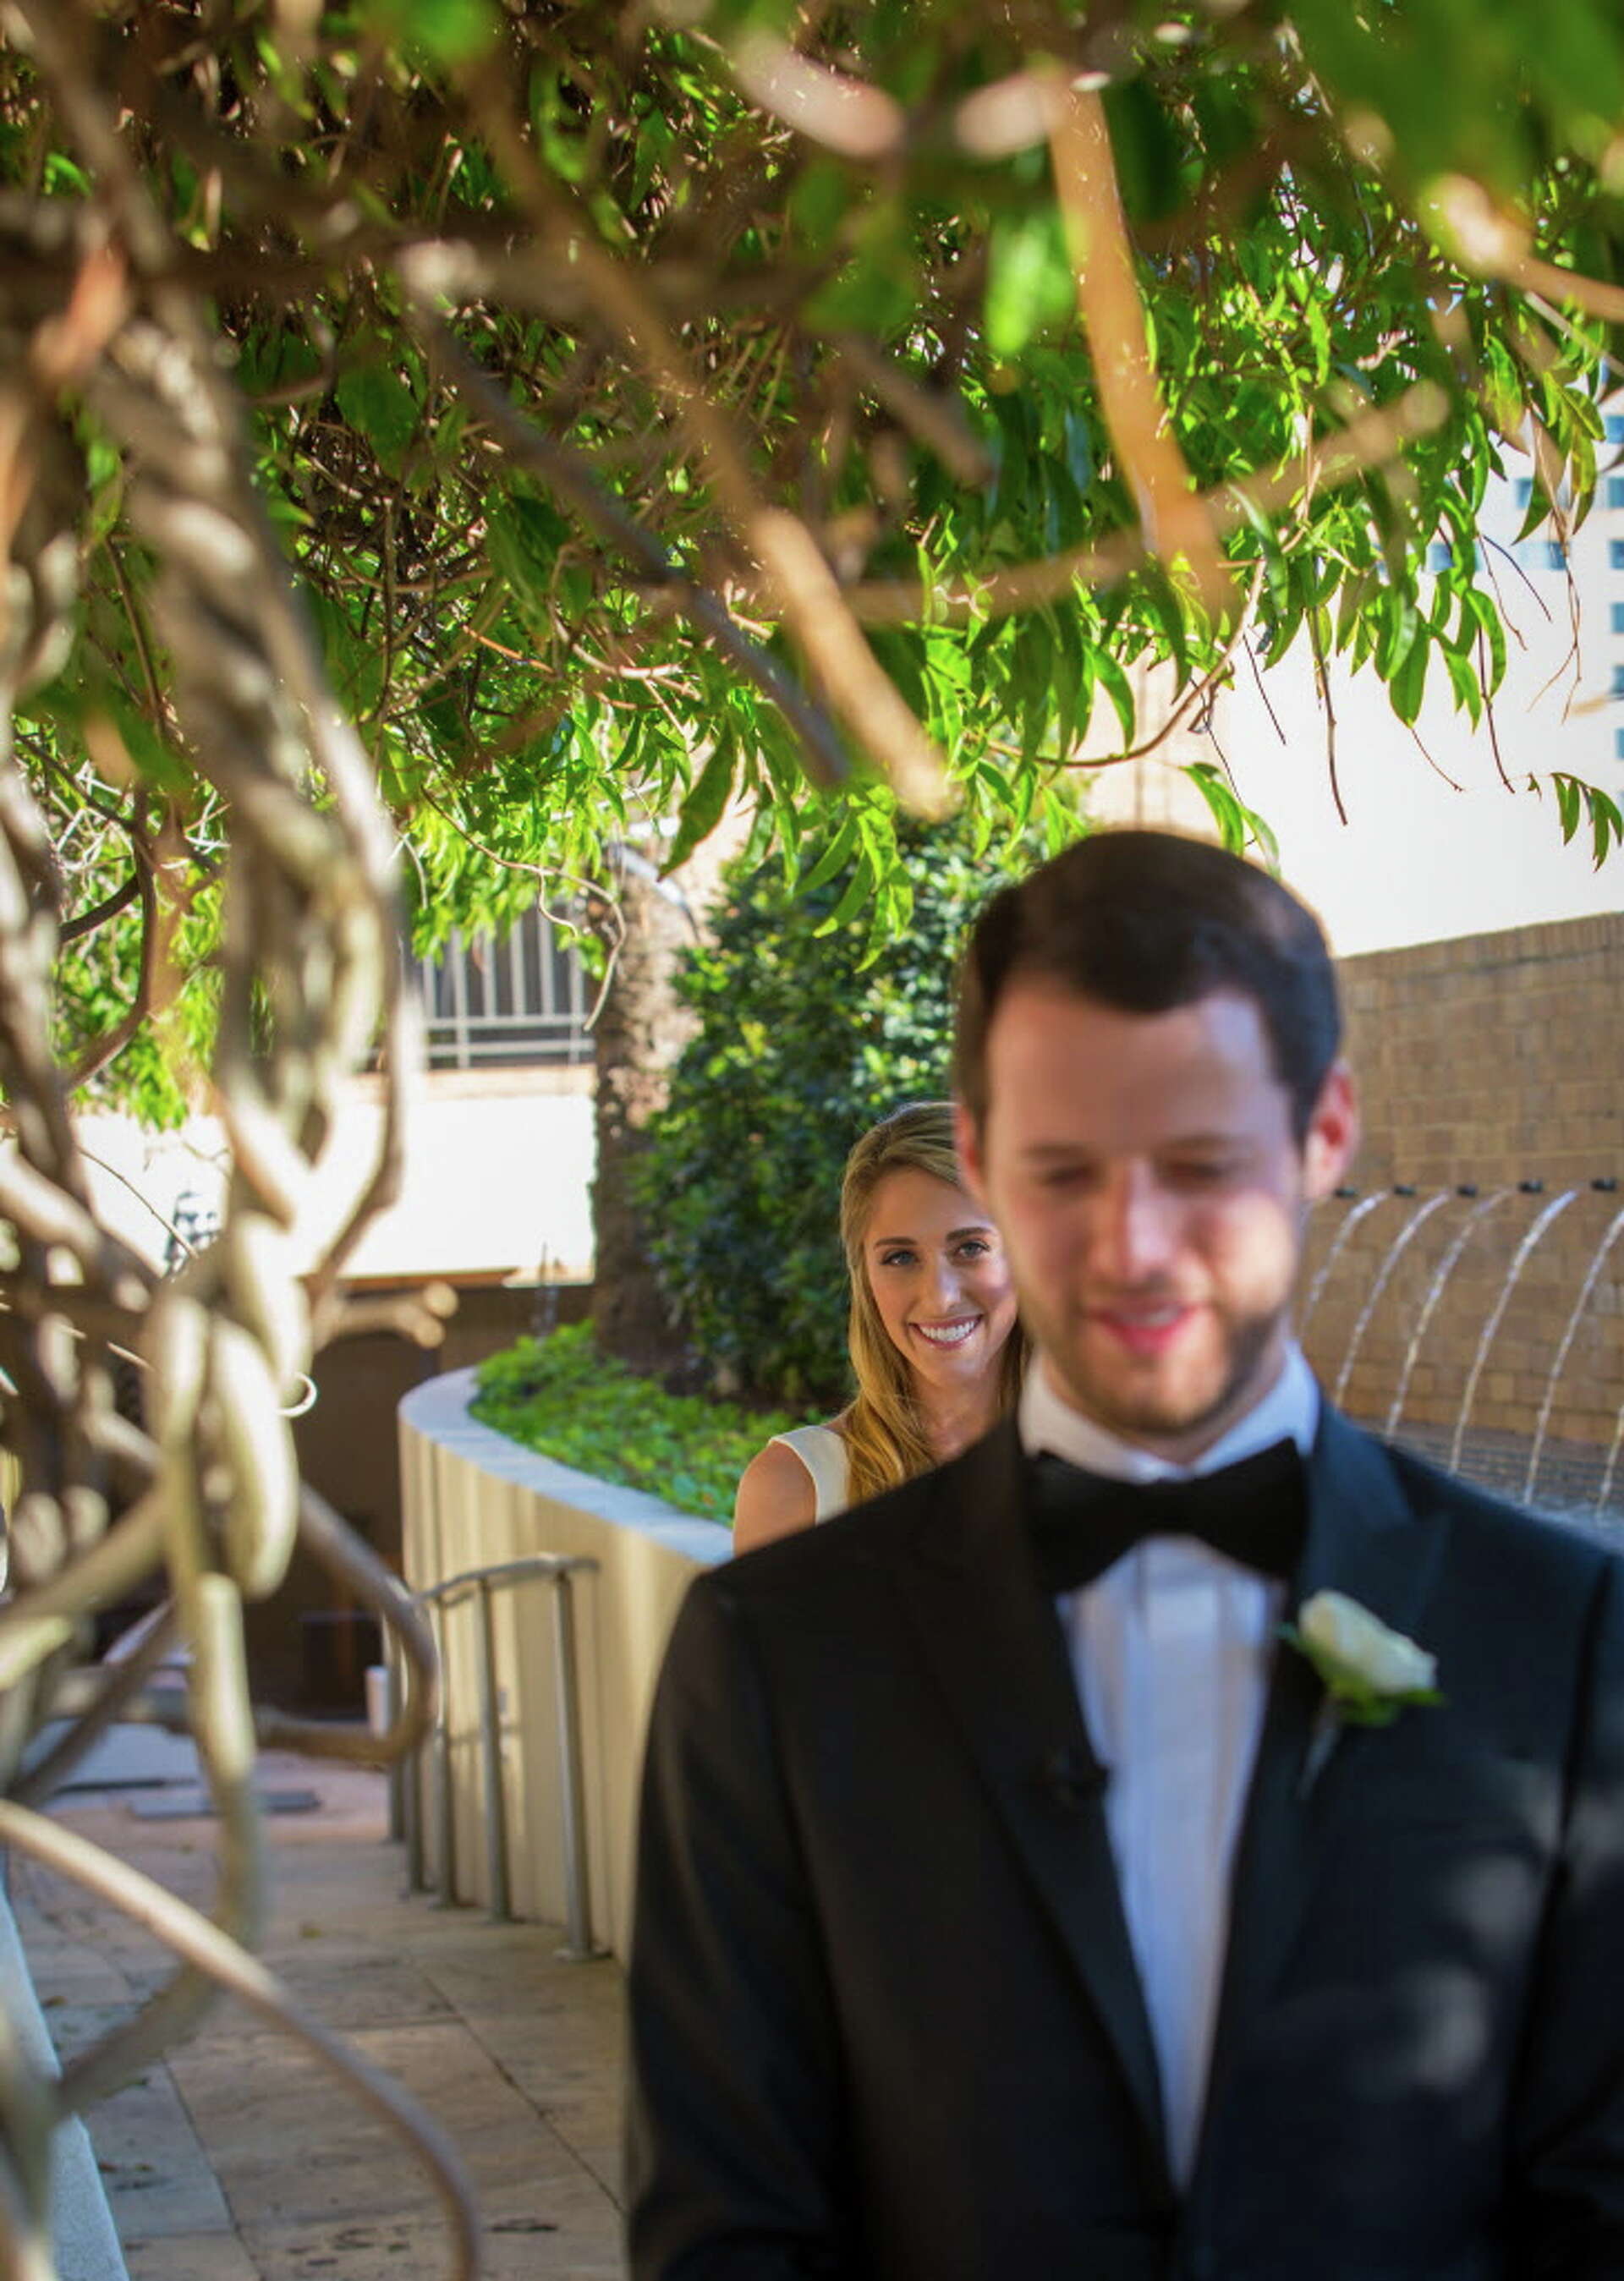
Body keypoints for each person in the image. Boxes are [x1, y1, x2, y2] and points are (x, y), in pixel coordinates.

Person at [626, 829, 1624, 2280]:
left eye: (1202, 1162)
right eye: (1064, 1168)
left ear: (1325, 1132)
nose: (1134, 1243)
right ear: (981, 1156)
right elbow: (728, 2230)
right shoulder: (775, 1651)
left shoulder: (1560, 1629)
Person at [733, 1101, 1024, 1549]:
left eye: (970, 1247)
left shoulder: (1119, 1462)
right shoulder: (795, 1489)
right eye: (900, 1258)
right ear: (865, 1278)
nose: (941, 1297)